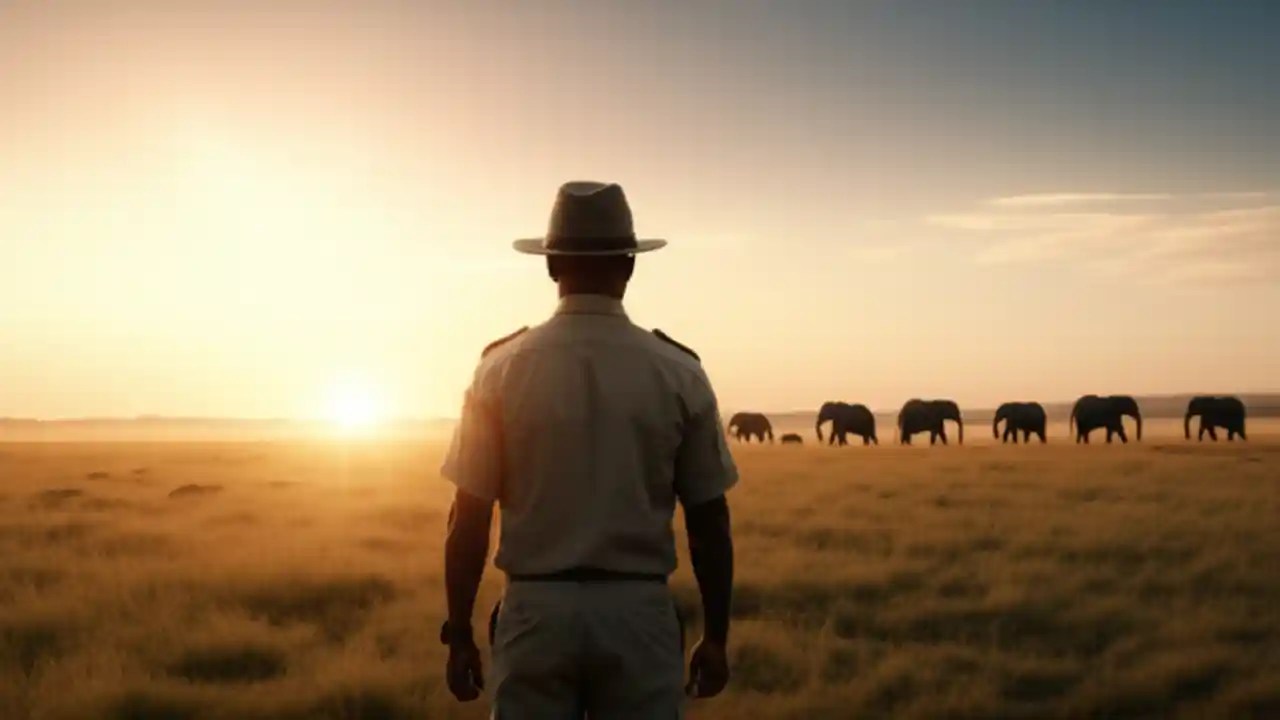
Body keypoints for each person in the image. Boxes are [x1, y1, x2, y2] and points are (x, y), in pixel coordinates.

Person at [440, 181, 738, 717]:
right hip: (639, 615)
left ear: (551, 265)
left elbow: (469, 516)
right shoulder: (679, 372)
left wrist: (460, 631)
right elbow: (709, 518)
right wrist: (715, 636)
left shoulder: (498, 371)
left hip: (535, 612)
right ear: (629, 265)